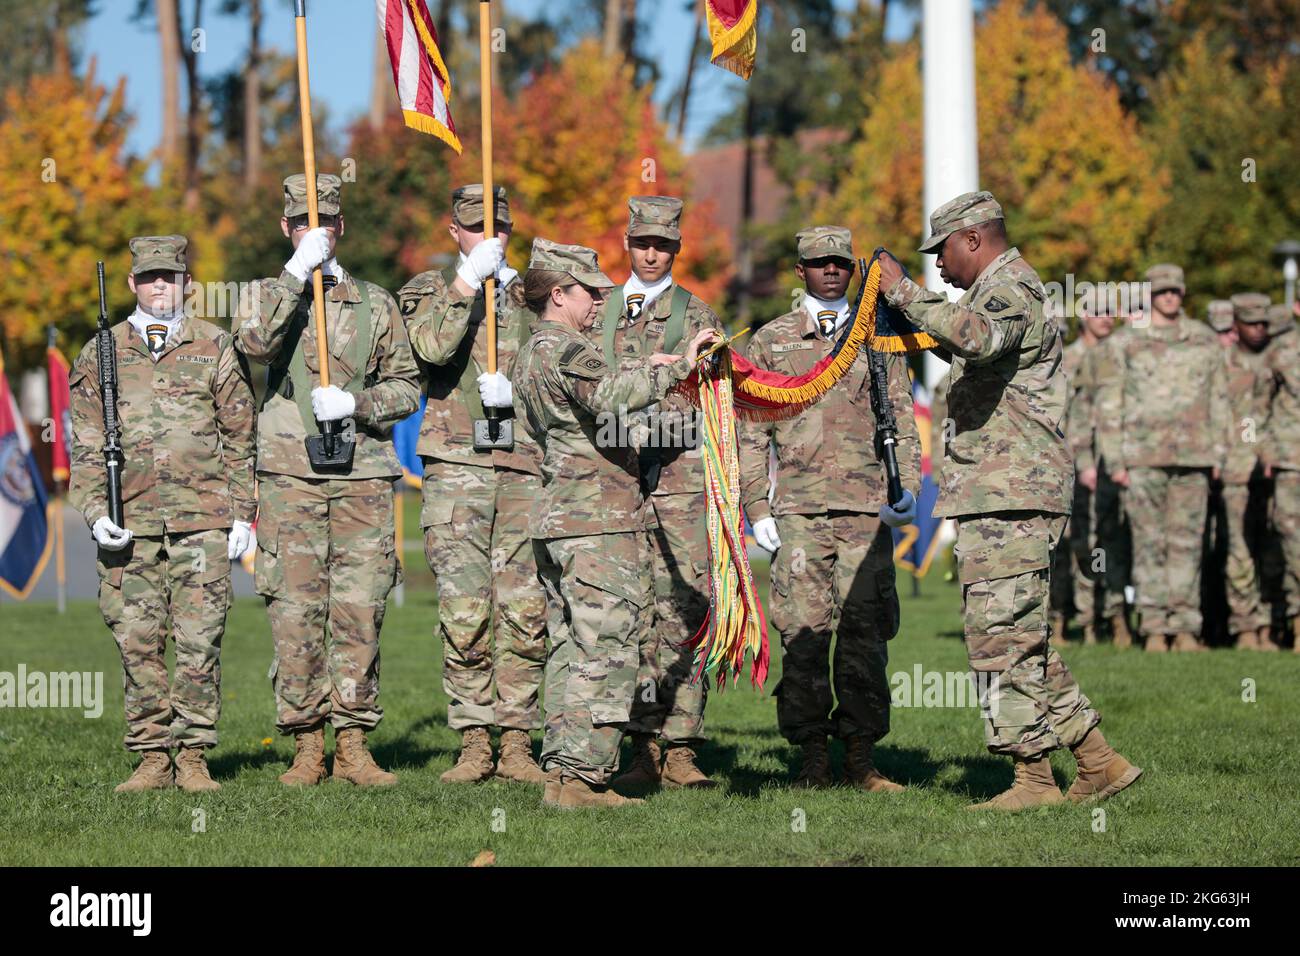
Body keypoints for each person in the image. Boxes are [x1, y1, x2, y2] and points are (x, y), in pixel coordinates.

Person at [878, 190, 1142, 810]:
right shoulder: (996, 293)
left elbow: (980, 338)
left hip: (1012, 490)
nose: (938, 264)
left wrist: (904, 292)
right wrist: (916, 320)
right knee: (1018, 634)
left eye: (942, 251)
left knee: (998, 637)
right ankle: (1097, 760)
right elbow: (969, 343)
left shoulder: (1011, 289)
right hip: (1001, 488)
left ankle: (1032, 780)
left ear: (974, 238)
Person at [511, 238, 720, 808]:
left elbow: (589, 394)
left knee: (569, 647)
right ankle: (583, 778)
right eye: (588, 293)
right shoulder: (567, 349)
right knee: (607, 647)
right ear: (558, 294)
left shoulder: (532, 350)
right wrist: (679, 367)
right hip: (597, 520)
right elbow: (606, 395)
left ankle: (561, 771)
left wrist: (642, 366)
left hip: (558, 515)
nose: (597, 303)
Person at [236, 173, 421, 786]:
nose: (313, 231)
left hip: (363, 476)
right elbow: (256, 344)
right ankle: (306, 744)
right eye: (298, 224)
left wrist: (357, 404)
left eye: (322, 223)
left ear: (340, 227)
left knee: (360, 609)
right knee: (294, 610)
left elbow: (406, 387)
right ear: (285, 228)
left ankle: (354, 743)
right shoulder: (265, 293)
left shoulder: (376, 303)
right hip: (291, 474)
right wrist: (296, 272)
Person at [69, 235, 256, 792]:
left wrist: (244, 515)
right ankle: (152, 755)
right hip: (130, 521)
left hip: (202, 518)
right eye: (149, 277)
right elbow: (83, 442)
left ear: (186, 285)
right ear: (131, 284)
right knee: (136, 638)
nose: (159, 286)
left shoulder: (216, 346)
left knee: (200, 638)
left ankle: (194, 754)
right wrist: (93, 510)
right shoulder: (99, 352)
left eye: (169, 277)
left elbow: (240, 435)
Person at [738, 225, 918, 791]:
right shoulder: (772, 340)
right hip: (798, 511)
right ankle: (813, 756)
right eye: (819, 262)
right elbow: (750, 427)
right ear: (801, 272)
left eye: (841, 260)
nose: (832, 270)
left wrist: (905, 487)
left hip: (867, 508)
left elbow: (902, 418)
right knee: (803, 633)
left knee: (865, 633)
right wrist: (755, 507)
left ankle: (862, 758)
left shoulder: (878, 334)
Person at [397, 185, 547, 784]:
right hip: (456, 468)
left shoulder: (542, 294)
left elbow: (567, 372)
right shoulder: (427, 291)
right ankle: (474, 741)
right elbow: (428, 349)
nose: (490, 235)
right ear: (452, 230)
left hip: (522, 466)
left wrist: (522, 396)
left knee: (524, 607)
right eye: (475, 226)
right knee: (465, 608)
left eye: (499, 227)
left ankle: (516, 742)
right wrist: (465, 284)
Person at [597, 196, 722, 792]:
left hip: (678, 481)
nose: (651, 254)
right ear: (628, 243)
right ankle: (637, 743)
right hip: (610, 480)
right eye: (642, 243)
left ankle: (681, 746)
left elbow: (714, 407)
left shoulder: (699, 315)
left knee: (683, 610)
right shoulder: (595, 309)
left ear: (677, 249)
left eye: (663, 246)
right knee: (622, 611)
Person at [1095, 264, 1230, 652]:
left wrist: (1220, 451)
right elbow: (1110, 402)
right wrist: (1115, 458)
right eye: (1161, 292)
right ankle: (1154, 625)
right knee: (1149, 542)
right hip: (1143, 457)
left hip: (1195, 455)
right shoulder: (1127, 343)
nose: (1169, 298)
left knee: (1188, 544)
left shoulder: (1204, 341)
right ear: (1150, 296)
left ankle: (1186, 626)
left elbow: (1220, 399)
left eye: (1174, 291)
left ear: (1183, 294)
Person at [1053, 303, 1132, 647]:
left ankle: (1114, 616)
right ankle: (1076, 619)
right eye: (1098, 311)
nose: (1106, 319)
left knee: (1114, 543)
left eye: (1110, 312)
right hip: (1077, 467)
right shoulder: (1066, 360)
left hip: (1117, 465)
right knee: (1079, 547)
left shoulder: (1121, 356)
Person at [1217, 294, 1277, 650]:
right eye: (1250, 323)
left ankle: (1271, 623)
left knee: (1272, 548)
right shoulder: (1221, 361)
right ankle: (1245, 627)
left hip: (1278, 467)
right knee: (1239, 550)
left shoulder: (1281, 357)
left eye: (1263, 323)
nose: (1258, 330)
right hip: (1236, 467)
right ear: (1235, 324)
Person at [1260, 298, 1300, 652]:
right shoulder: (1282, 351)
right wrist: (1264, 449)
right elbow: (1258, 407)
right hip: (1292, 460)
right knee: (1292, 542)